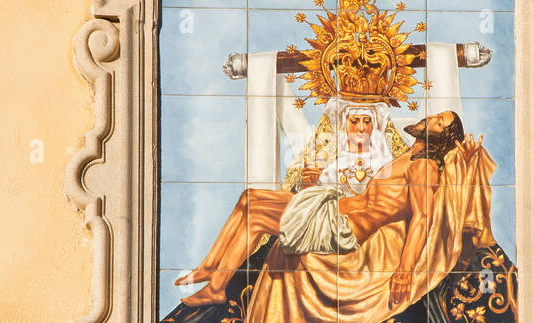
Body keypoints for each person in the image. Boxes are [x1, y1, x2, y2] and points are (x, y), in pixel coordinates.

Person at [176, 110, 478, 311]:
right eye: (437, 115)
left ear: (442, 138)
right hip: (334, 210)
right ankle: (210, 265)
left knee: (255, 216)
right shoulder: (409, 158)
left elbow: (423, 219)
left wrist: (404, 271)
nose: (431, 118)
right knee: (248, 198)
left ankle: (217, 287)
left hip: (343, 229)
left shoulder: (424, 168)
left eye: (440, 122)